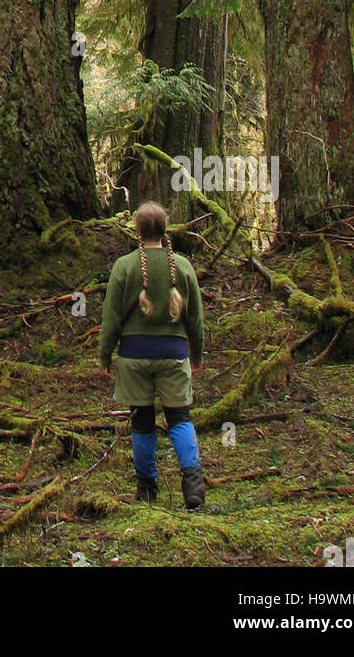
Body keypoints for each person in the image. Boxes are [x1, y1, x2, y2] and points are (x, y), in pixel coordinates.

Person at [98, 200, 206, 509]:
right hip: (173, 354)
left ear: (137, 229)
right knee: (180, 418)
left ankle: (146, 489)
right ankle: (193, 489)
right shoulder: (183, 266)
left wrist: (105, 356)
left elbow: (112, 318)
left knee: (142, 421)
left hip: (134, 357)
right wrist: (196, 352)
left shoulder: (124, 266)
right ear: (166, 229)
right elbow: (195, 318)